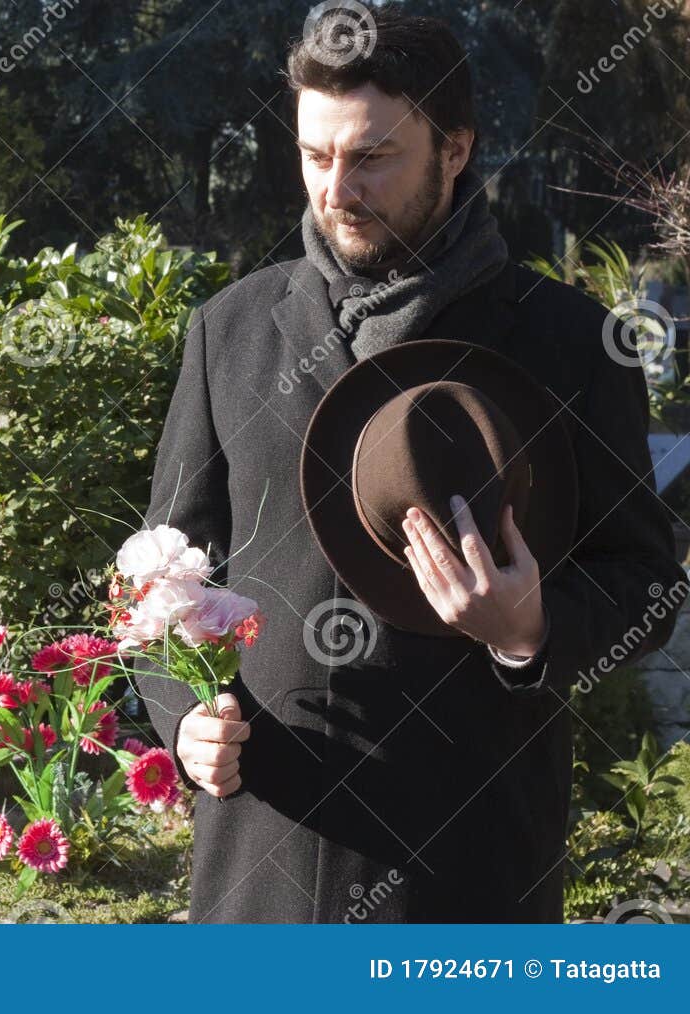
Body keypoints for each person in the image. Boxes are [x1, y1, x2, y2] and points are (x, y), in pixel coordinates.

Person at [133, 9, 685, 922]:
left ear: (455, 149)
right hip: (260, 870)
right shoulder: (226, 330)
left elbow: (647, 585)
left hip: (467, 875)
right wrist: (181, 719)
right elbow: (165, 570)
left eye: (372, 157)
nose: (337, 189)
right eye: (315, 157)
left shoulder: (572, 344)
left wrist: (530, 627)